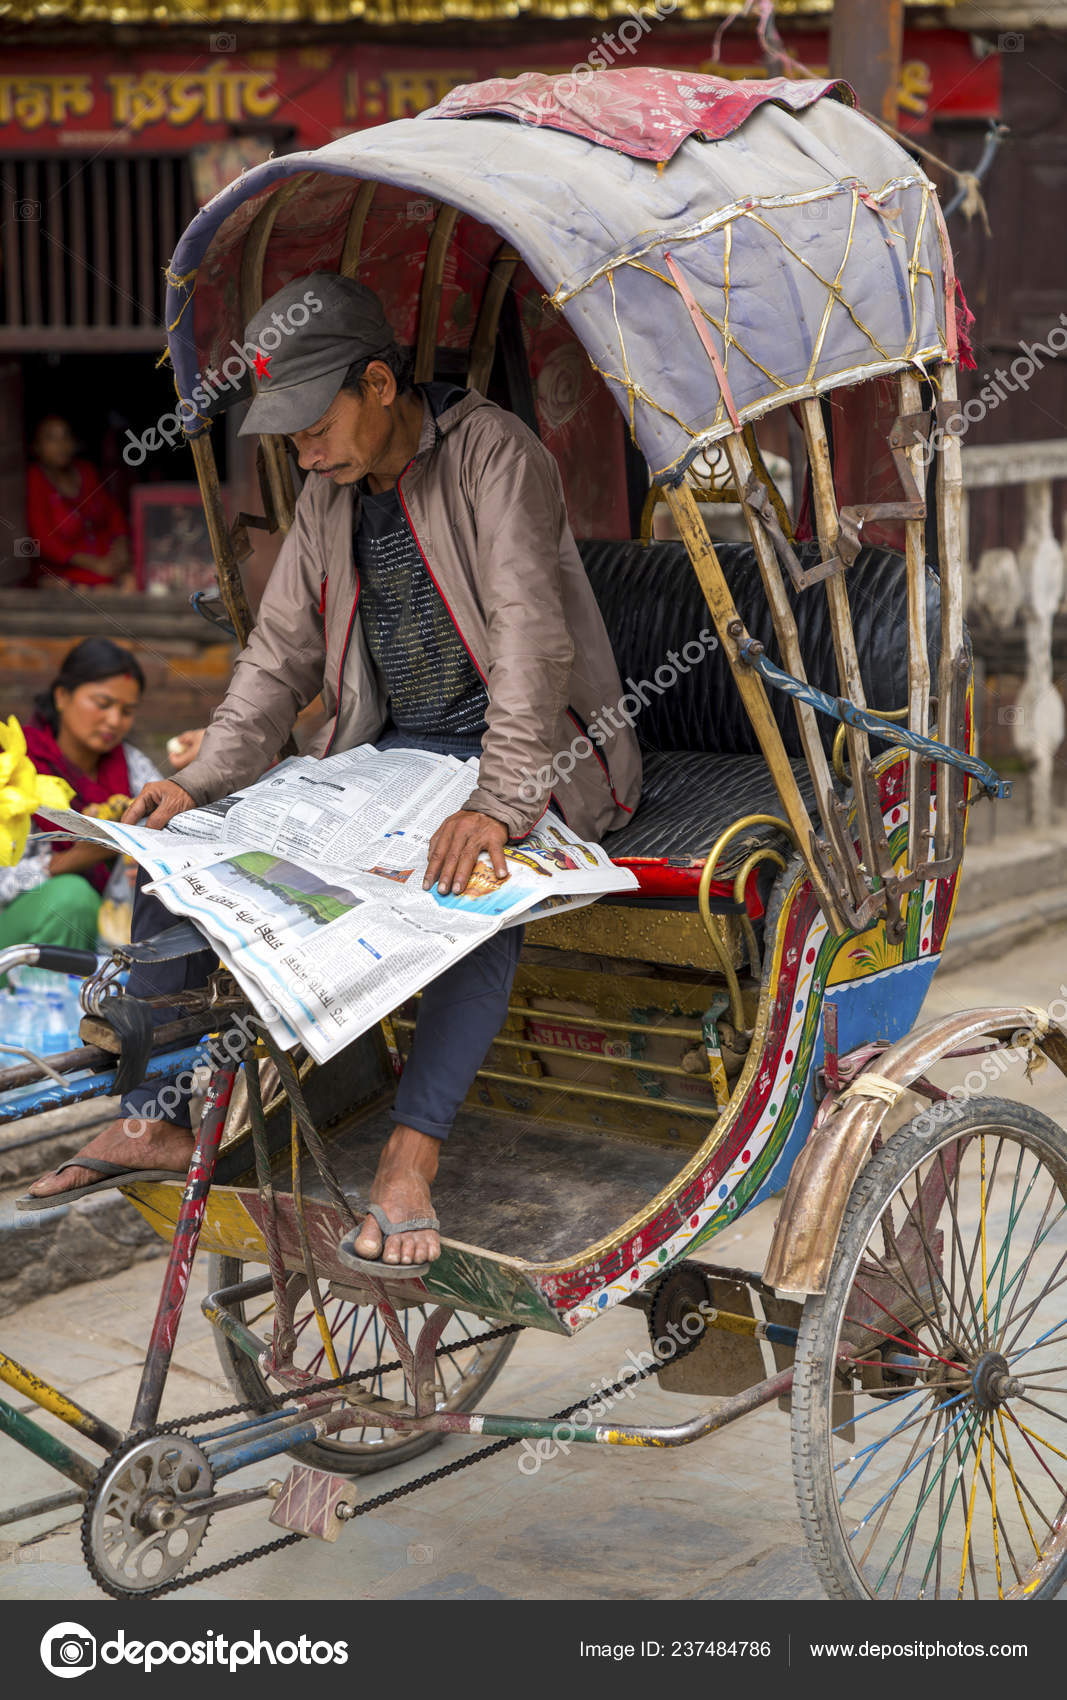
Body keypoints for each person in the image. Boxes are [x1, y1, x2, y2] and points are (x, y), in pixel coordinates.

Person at [25, 273, 642, 1271]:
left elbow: (533, 640)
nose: (303, 449)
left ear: (377, 382)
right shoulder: (325, 496)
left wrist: (497, 802)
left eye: (314, 422)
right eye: (291, 434)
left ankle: (409, 1155)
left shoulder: (494, 455)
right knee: (174, 855)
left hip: (534, 754)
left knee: (465, 895)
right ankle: (153, 1112)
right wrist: (197, 783)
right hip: (391, 760)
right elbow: (277, 660)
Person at [0, 639, 158, 959]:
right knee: (71, 899)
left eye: (126, 711)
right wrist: (70, 860)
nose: (115, 721)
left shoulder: (135, 768)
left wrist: (145, 867)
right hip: (16, 924)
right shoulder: (14, 768)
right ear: (62, 696)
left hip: (112, 925)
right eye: (102, 703)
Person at [25, 417, 132, 590]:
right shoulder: (34, 479)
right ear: (36, 447)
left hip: (108, 561)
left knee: (138, 582)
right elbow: (43, 540)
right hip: (66, 570)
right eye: (51, 438)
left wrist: (121, 544)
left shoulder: (86, 471)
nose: (61, 445)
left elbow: (113, 513)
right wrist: (95, 564)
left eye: (65, 437)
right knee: (110, 593)